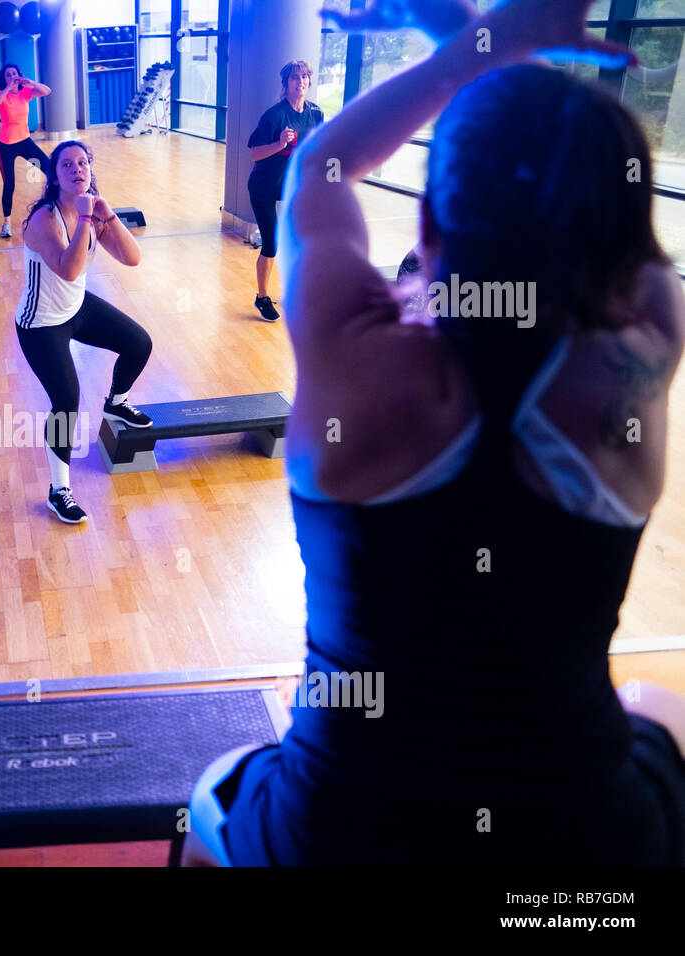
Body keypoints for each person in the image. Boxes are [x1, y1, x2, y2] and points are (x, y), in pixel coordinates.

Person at [186, 0, 685, 866]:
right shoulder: (648, 343)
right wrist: (495, 46)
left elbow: (322, 169)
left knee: (212, 797)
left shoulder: (354, 351)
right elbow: (578, 179)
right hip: (587, 842)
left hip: (340, 831)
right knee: (659, 710)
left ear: (426, 226)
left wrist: (486, 37)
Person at [15, 140, 153, 524]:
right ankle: (59, 490)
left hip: (76, 308)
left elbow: (132, 258)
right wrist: (86, 220)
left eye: (83, 163)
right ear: (54, 177)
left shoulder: (92, 211)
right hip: (40, 323)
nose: (77, 170)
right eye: (67, 165)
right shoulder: (44, 219)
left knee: (139, 343)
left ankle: (117, 401)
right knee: (67, 399)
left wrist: (107, 216)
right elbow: (69, 269)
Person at [246, 60, 324, 322]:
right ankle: (262, 298)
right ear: (286, 84)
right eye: (294, 78)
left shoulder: (315, 113)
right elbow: (255, 153)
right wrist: (279, 144)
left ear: (309, 81)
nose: (300, 82)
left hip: (293, 187)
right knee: (272, 243)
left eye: (304, 77)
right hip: (264, 187)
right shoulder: (274, 116)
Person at [0, 62, 50, 238]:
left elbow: (47, 91)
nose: (12, 76)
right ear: (4, 78)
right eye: (8, 74)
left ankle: (52, 208)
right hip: (5, 146)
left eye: (14, 73)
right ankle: (6, 223)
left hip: (24, 142)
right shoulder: (1, 95)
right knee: (9, 185)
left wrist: (30, 82)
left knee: (49, 169)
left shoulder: (26, 93)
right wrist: (8, 88)